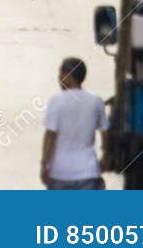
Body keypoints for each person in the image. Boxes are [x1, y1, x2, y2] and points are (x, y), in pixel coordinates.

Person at [40, 57, 108, 189]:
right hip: (88, 172)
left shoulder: (56, 101)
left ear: (68, 75)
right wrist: (105, 157)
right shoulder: (96, 101)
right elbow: (105, 132)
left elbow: (50, 136)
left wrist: (44, 164)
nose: (59, 78)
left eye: (61, 74)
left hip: (60, 173)